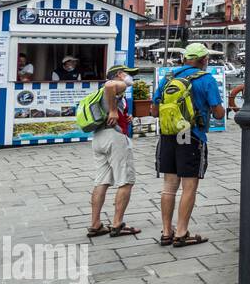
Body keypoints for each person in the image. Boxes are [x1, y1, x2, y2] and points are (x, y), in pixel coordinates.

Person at [152, 44, 224, 248]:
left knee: (169, 186)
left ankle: (166, 232)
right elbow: (218, 113)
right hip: (190, 135)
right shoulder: (206, 79)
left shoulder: (168, 78)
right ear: (203, 60)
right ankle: (182, 233)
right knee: (189, 186)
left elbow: (154, 111)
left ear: (185, 59)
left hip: (167, 135)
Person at [87, 65, 140, 238]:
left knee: (101, 181)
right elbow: (110, 85)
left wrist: (123, 116)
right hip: (114, 139)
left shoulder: (111, 94)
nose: (131, 78)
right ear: (119, 74)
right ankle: (117, 224)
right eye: (129, 74)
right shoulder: (115, 85)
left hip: (99, 137)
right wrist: (112, 111)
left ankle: (95, 224)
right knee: (126, 180)